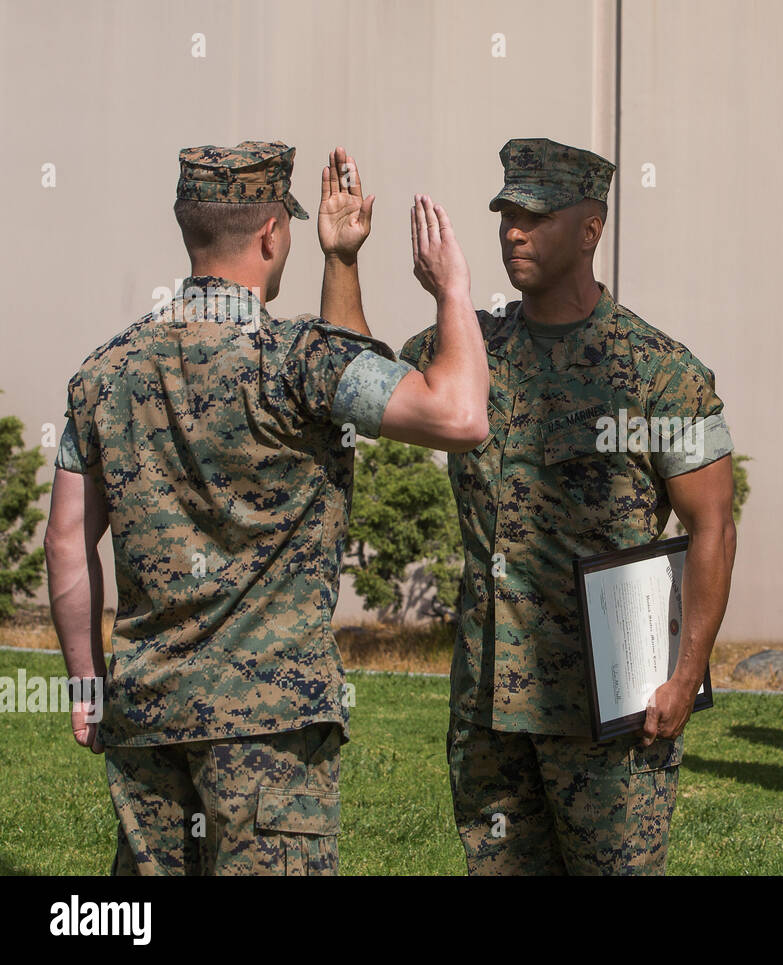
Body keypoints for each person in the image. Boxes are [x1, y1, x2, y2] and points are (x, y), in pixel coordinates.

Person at [43, 140, 489, 875]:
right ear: (272, 235)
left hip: (148, 716)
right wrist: (453, 292)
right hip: (271, 728)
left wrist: (88, 685)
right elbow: (463, 416)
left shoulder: (104, 372)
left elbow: (66, 544)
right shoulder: (298, 361)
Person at [399, 137, 737, 875]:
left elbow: (712, 525)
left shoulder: (658, 372)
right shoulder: (470, 352)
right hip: (489, 704)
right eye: (507, 215)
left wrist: (686, 676)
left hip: (607, 712)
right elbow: (353, 373)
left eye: (537, 216)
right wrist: (341, 258)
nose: (513, 232)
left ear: (591, 230)